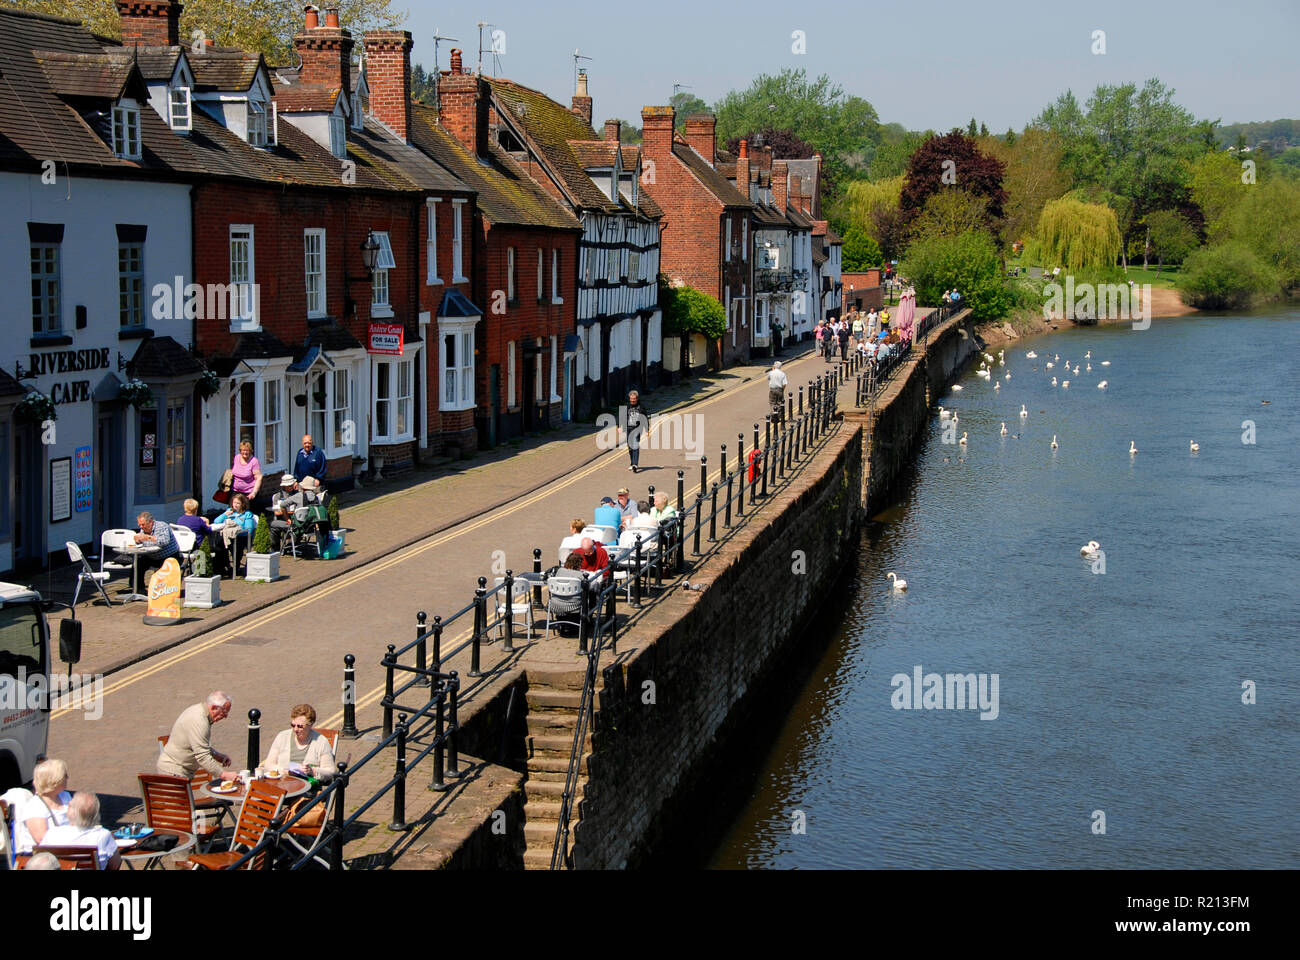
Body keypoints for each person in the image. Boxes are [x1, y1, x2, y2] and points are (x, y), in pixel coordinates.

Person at [158, 691, 239, 782]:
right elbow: (202, 756)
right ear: (213, 707)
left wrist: (217, 755)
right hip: (174, 771)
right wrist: (224, 774)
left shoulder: (199, 710)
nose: (225, 716)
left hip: (178, 771)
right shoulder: (200, 721)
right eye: (224, 712)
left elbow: (199, 744)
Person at [40, 792, 121, 870]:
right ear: (95, 813)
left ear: (70, 812)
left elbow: (40, 859)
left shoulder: (52, 833)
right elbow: (115, 865)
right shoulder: (103, 835)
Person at [262, 704, 338, 781]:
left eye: (300, 726)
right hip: (281, 784)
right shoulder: (282, 736)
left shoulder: (321, 742)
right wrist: (284, 771)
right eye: (293, 725)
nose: (295, 729)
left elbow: (330, 771)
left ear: (310, 724)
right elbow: (268, 765)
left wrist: (312, 771)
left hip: (307, 788)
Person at [13, 758, 71, 855]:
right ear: (55, 780)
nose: (68, 778)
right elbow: (42, 840)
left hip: (68, 849)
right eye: (65, 775)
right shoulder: (35, 807)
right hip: (42, 856)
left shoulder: (65, 796)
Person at [121, 511, 179, 594]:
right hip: (152, 555)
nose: (141, 527)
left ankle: (165, 591)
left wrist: (148, 537)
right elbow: (143, 543)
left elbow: (164, 541)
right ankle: (137, 588)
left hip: (168, 555)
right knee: (138, 562)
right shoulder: (143, 529)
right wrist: (138, 541)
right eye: (139, 525)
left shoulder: (162, 526)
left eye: (143, 524)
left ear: (151, 522)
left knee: (163, 567)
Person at [210, 492, 256, 578]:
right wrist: (225, 515)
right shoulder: (229, 511)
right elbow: (216, 521)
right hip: (228, 536)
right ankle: (222, 567)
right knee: (218, 545)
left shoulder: (247, 514)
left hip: (241, 537)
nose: (235, 505)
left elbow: (249, 529)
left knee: (236, 547)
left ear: (243, 504)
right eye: (234, 503)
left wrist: (237, 530)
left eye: (238, 503)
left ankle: (235, 568)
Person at [269, 474, 307, 553]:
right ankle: (276, 549)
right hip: (285, 520)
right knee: (274, 524)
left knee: (274, 525)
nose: (291, 487)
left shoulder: (298, 494)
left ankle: (291, 544)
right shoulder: (277, 496)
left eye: (292, 485)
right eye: (289, 485)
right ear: (284, 486)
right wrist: (290, 512)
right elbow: (277, 512)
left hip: (296, 521)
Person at [230, 439, 263, 508]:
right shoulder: (237, 457)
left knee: (245, 514)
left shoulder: (254, 461)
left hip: (248, 493)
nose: (244, 452)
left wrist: (254, 493)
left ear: (250, 451)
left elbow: (259, 478)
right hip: (235, 491)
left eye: (247, 450)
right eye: (243, 450)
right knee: (232, 511)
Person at [623, 390, 650, 474]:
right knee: (630, 447)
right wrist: (619, 426)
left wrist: (647, 430)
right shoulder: (627, 406)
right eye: (631, 399)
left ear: (637, 398)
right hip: (628, 428)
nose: (632, 401)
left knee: (635, 445)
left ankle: (635, 464)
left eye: (633, 399)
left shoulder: (641, 407)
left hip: (637, 428)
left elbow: (645, 418)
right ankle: (632, 462)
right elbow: (622, 416)